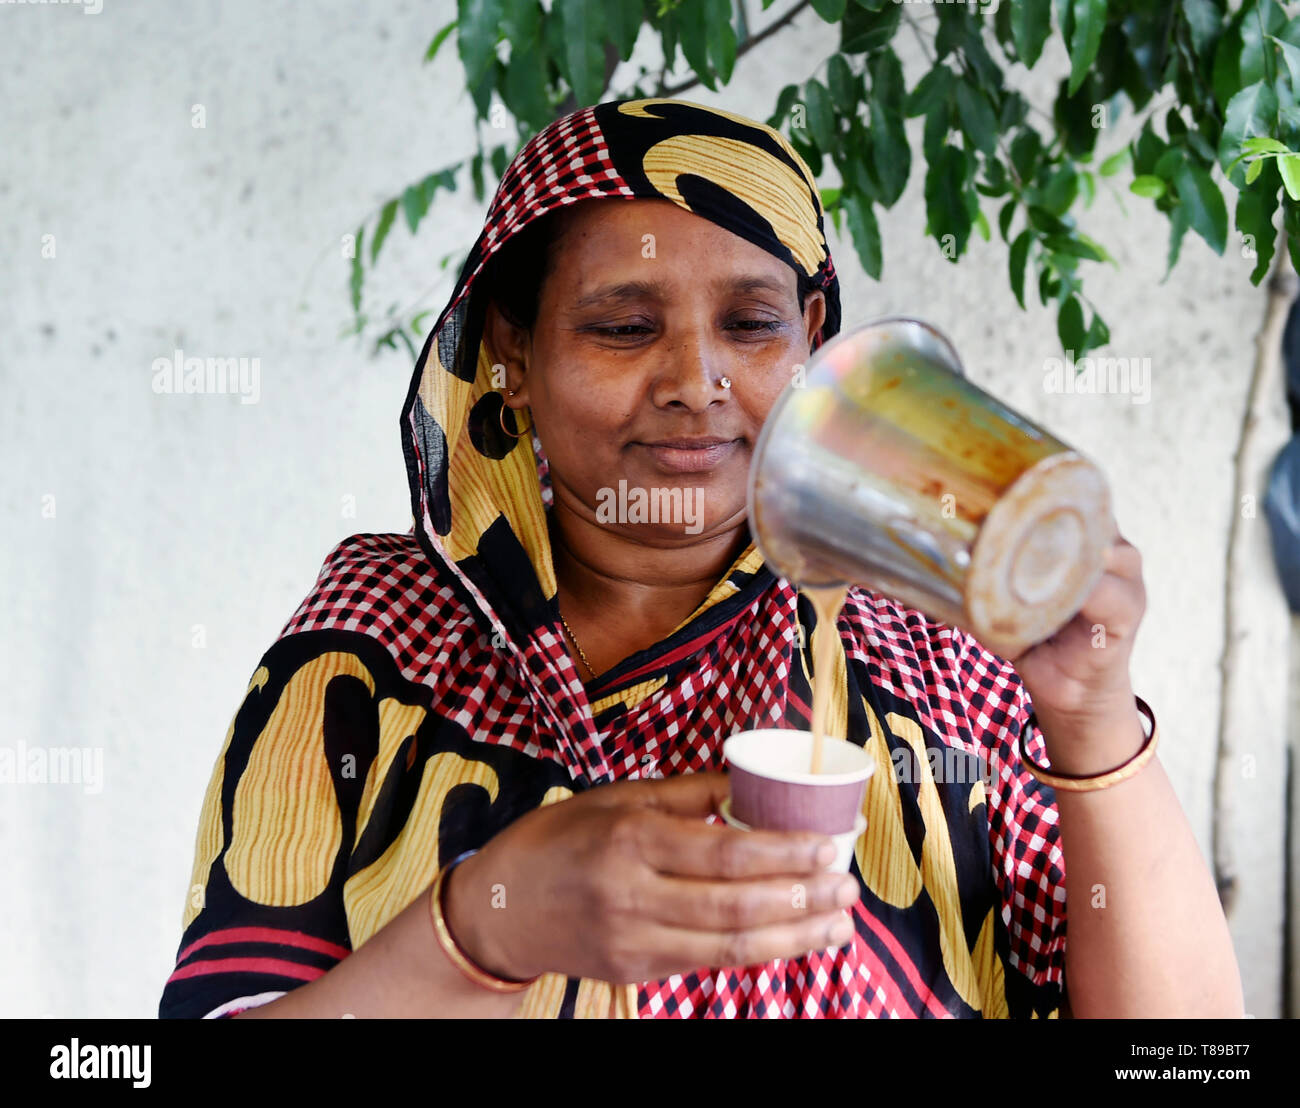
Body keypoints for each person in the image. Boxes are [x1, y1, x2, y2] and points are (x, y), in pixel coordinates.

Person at [158, 97, 1242, 1019]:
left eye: (752, 324)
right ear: (513, 353)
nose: (696, 380)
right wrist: (485, 922)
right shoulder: (378, 640)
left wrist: (1094, 717)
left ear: (813, 333)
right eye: (623, 327)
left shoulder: (938, 644)